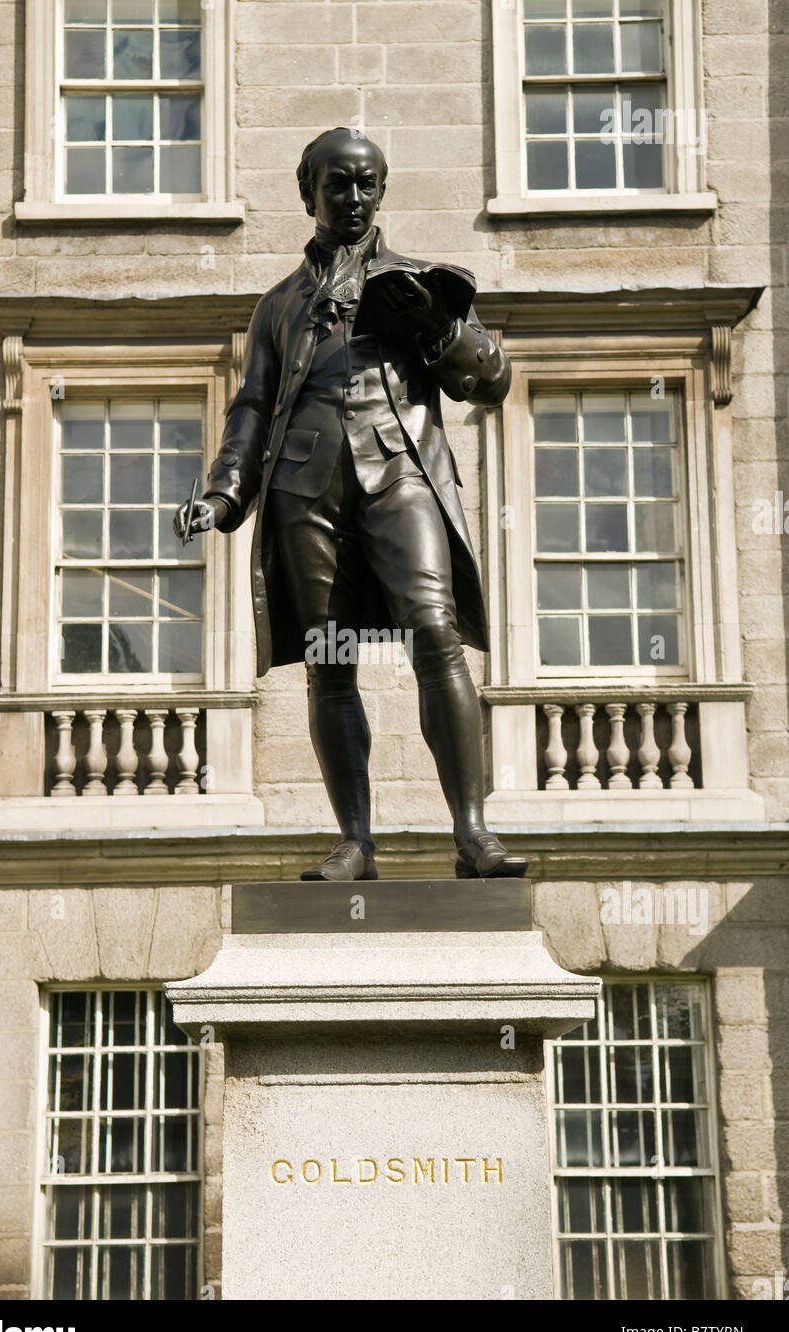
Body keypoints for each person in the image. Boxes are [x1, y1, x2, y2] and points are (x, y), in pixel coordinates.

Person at [174, 127, 526, 883]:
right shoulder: (277, 307)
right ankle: (356, 843)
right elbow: (251, 407)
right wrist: (222, 492)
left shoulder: (422, 280)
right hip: (306, 488)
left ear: (382, 191)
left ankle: (472, 834)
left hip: (400, 473)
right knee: (329, 664)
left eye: (368, 183)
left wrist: (437, 324)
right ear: (309, 193)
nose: (355, 197)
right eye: (339, 184)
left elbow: (492, 381)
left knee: (435, 631)